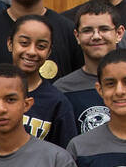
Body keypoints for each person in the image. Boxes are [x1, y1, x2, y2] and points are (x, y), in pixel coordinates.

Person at [55, 0, 126, 134]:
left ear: (119, 33)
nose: (96, 36)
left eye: (104, 29)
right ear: (77, 36)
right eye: (87, 30)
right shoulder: (62, 89)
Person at [8, 14, 79, 148]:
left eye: (41, 46)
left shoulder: (57, 102)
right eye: (24, 43)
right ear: (10, 44)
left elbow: (65, 154)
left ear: (49, 52)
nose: (31, 51)